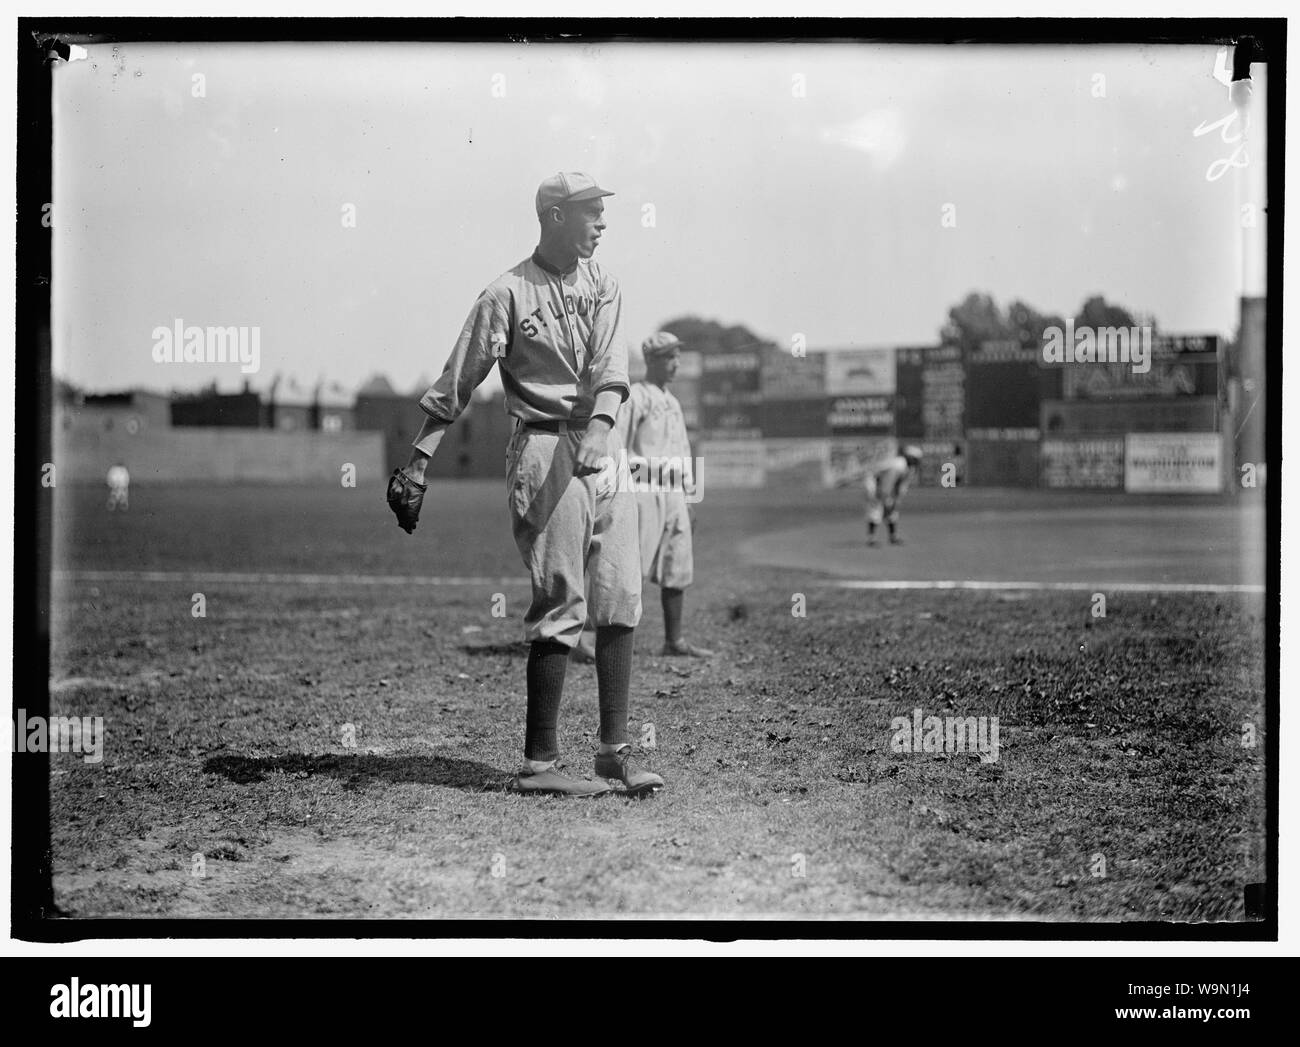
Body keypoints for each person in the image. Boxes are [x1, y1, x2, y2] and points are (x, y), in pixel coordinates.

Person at [386, 171, 662, 798]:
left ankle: (613, 752)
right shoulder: (506, 293)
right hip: (542, 444)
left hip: (604, 441)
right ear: (555, 215)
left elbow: (611, 365)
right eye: (591, 212)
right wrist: (420, 458)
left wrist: (601, 426)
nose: (602, 222)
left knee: (620, 593)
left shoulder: (605, 284)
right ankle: (541, 764)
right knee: (562, 596)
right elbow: (461, 375)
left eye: (603, 212)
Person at [574, 331, 711, 661]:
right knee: (622, 565)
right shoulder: (635, 396)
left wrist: (691, 497)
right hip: (642, 490)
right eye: (668, 357)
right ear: (651, 360)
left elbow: (684, 452)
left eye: (677, 356)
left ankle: (673, 640)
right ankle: (584, 639)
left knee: (677, 563)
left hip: (673, 492)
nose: (675, 363)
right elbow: (617, 443)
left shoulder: (673, 402)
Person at [865, 445, 922, 546]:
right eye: (915, 459)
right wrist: (886, 499)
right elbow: (886, 484)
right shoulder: (898, 465)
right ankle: (871, 539)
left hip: (886, 484)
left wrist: (896, 500)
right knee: (877, 508)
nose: (917, 461)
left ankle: (893, 537)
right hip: (873, 481)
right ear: (909, 457)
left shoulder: (910, 468)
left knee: (892, 510)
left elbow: (902, 487)